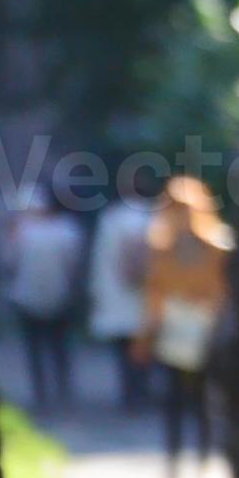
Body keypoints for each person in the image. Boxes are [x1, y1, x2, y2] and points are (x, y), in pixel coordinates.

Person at [135, 175, 232, 478]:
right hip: (173, 330)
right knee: (173, 399)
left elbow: (225, 291)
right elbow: (154, 293)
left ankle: (203, 457)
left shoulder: (219, 245)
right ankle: (173, 460)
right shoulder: (161, 248)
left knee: (203, 398)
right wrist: (146, 335)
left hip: (207, 329)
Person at [3, 191, 88, 414]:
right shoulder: (68, 230)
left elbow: (9, 261)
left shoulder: (23, 231)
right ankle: (62, 390)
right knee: (59, 347)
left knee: (35, 348)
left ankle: (42, 393)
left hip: (27, 297)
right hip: (61, 296)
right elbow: (75, 265)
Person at [86, 165, 159, 408]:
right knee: (145, 349)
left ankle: (129, 393)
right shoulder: (156, 217)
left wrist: (96, 292)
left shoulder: (111, 218)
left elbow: (100, 260)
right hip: (147, 296)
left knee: (122, 350)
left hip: (117, 296)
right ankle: (143, 389)